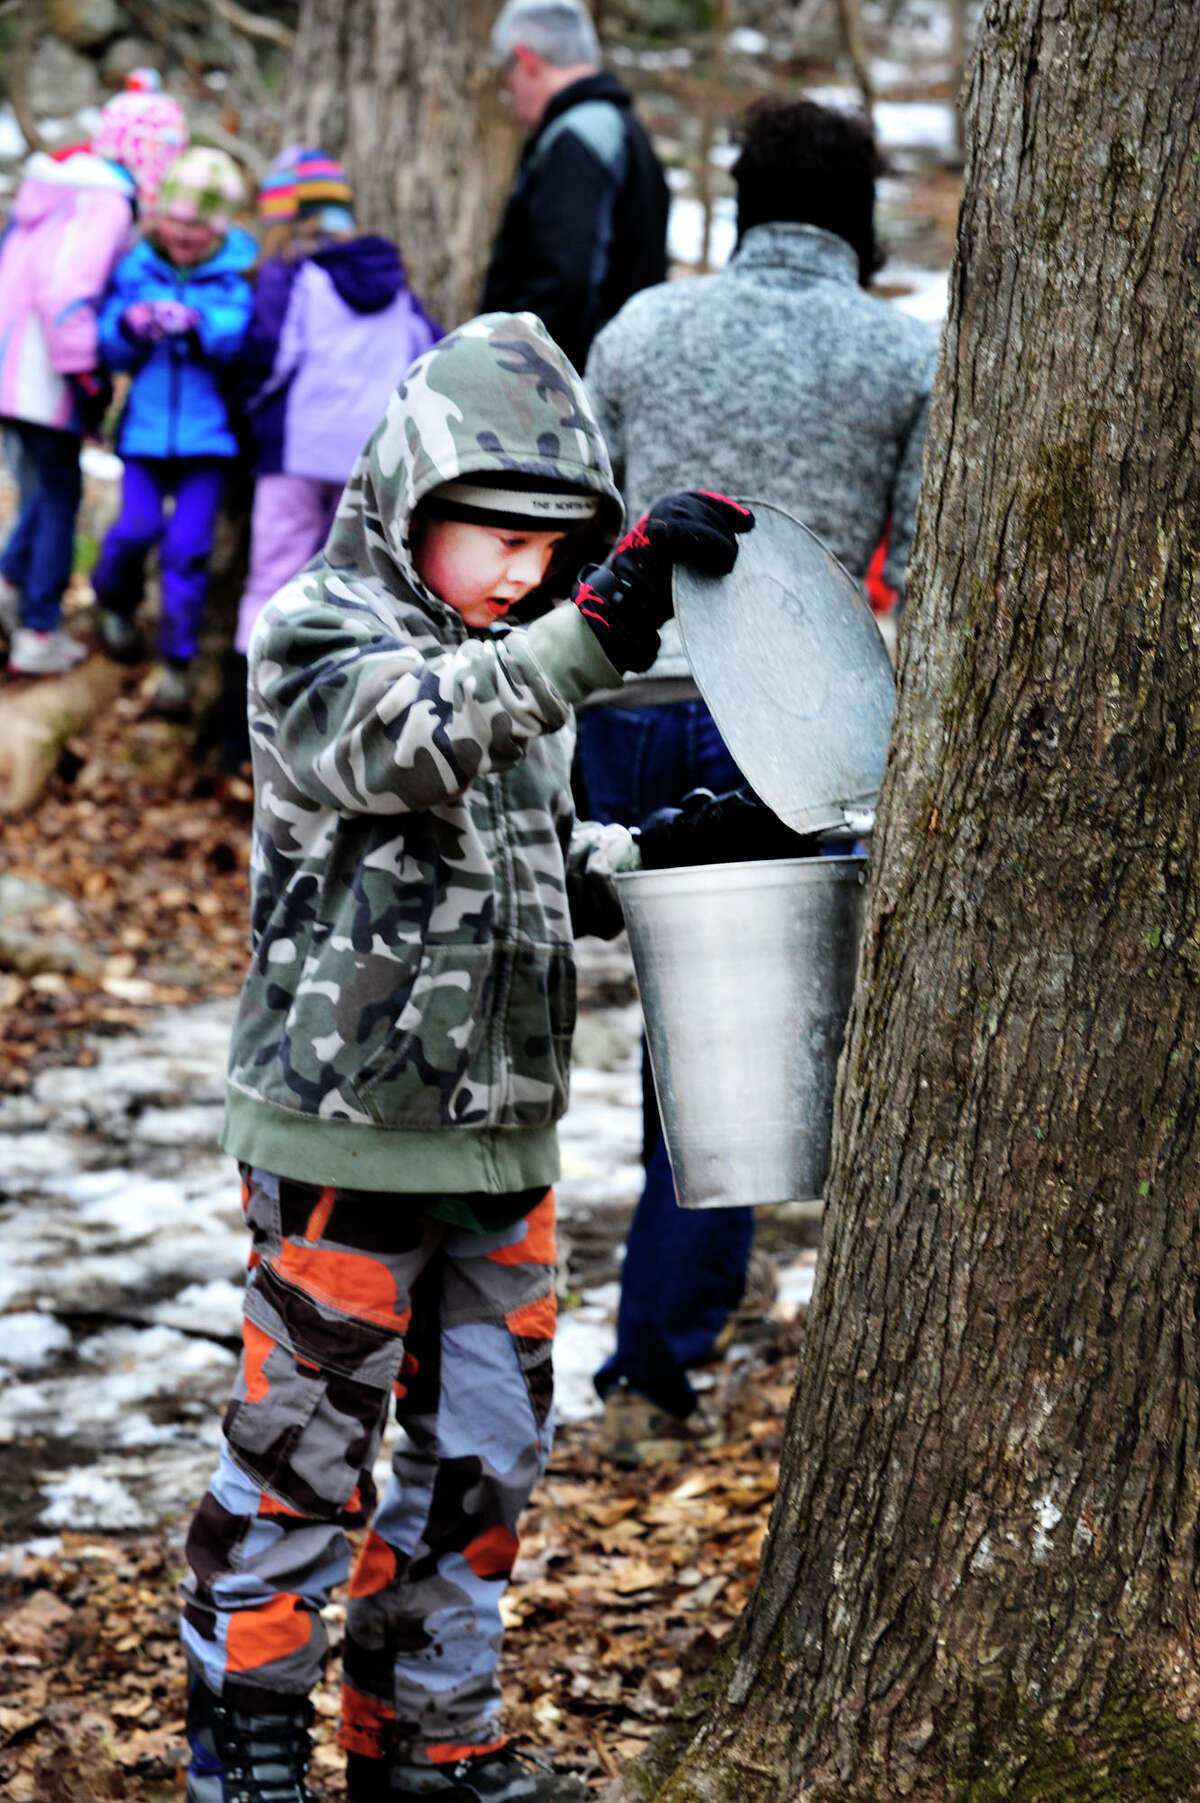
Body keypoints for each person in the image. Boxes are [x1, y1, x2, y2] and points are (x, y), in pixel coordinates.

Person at [178, 309, 751, 1803]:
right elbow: (413, 739)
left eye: (552, 546)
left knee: (482, 1455)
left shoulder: (519, 660)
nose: (523, 570)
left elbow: (527, 855)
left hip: (503, 1139)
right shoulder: (319, 634)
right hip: (342, 1141)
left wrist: (652, 854)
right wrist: (594, 629)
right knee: (303, 1452)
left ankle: (427, 1737)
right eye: (493, 533)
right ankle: (245, 1745)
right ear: (410, 499)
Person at [580, 95, 940, 1465]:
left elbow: (586, 513)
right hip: (774, 738)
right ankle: (649, 1383)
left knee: (604, 1034)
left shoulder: (643, 329)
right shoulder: (902, 352)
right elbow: (919, 563)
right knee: (723, 1067)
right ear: (856, 212)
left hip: (616, 702)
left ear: (737, 201)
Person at [217, 148, 440, 766]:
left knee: (271, 580)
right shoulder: (395, 280)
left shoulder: (292, 272)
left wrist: (253, 418)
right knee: (348, 589)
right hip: (367, 464)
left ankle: (243, 735)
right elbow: (430, 354)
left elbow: (269, 356)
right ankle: (329, 731)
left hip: (296, 452)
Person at [91, 147, 255, 718]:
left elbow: (239, 338)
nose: (185, 236)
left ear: (219, 230)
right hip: (143, 433)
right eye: (177, 221)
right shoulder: (137, 267)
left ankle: (177, 666)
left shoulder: (234, 274)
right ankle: (112, 600)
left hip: (207, 441)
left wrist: (198, 326)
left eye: (199, 227)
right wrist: (131, 327)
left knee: (187, 549)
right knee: (135, 528)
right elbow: (109, 341)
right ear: (160, 217)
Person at [0, 139, 137, 672]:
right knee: (60, 496)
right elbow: (67, 291)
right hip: (47, 378)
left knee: (42, 489)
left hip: (13, 373)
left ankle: (11, 582)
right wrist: (84, 372)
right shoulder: (104, 202)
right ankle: (38, 629)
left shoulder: (48, 195)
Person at [480, 0, 669, 373]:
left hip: (561, 396)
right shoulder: (620, 128)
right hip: (613, 376)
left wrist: (510, 377)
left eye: (509, 77)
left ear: (527, 60)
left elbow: (564, 281)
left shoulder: (578, 139)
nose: (512, 94)